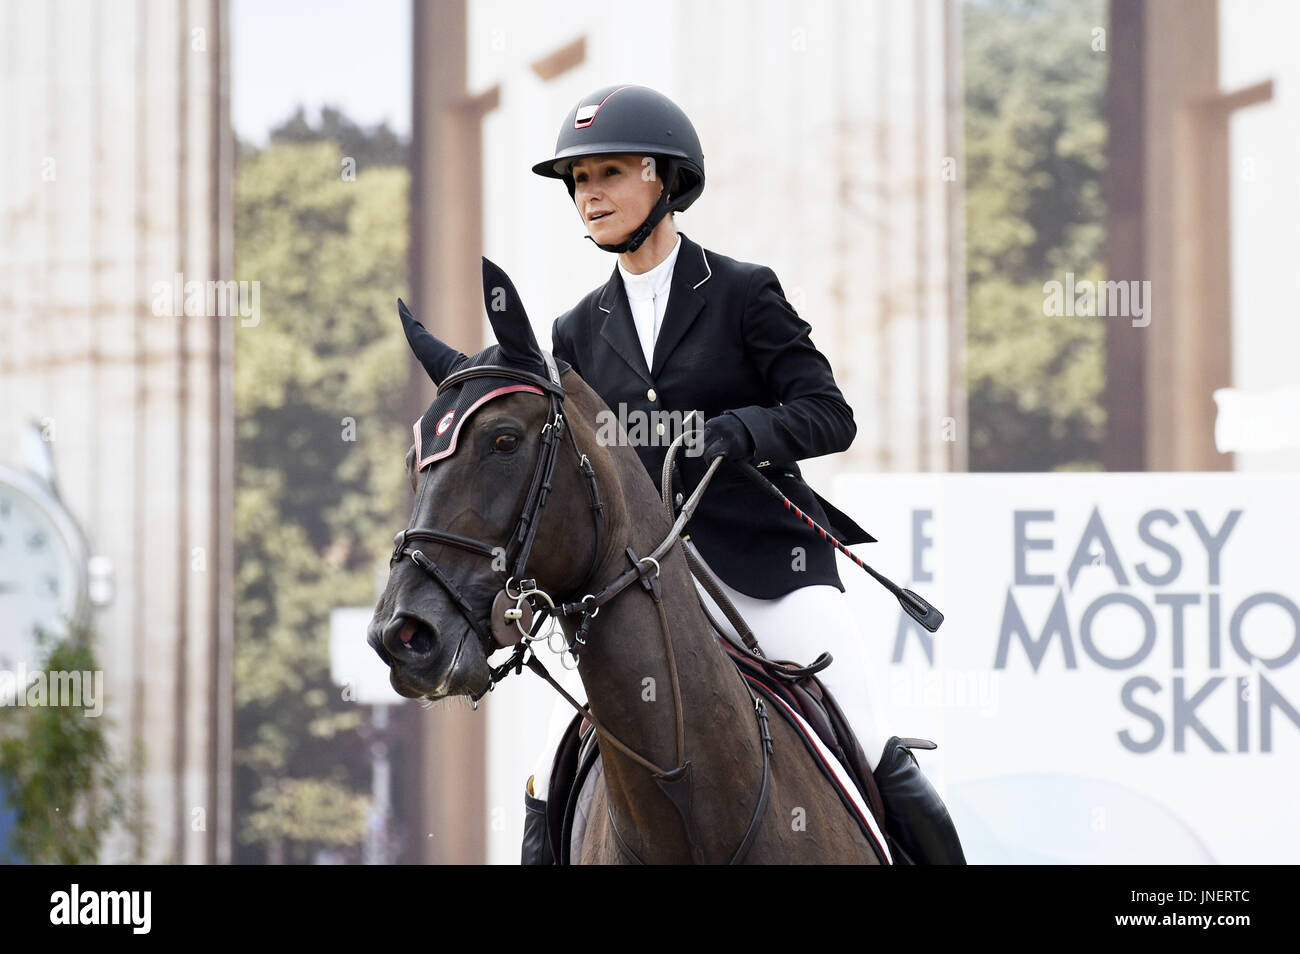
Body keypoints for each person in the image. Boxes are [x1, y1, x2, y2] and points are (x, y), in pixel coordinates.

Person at [524, 84, 892, 863]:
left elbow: (830, 414)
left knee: (879, 746)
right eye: (579, 182)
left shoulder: (741, 291)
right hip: (648, 593)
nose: (589, 196)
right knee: (553, 777)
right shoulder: (574, 332)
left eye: (609, 174)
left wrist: (743, 430)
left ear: (662, 177)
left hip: (770, 575)